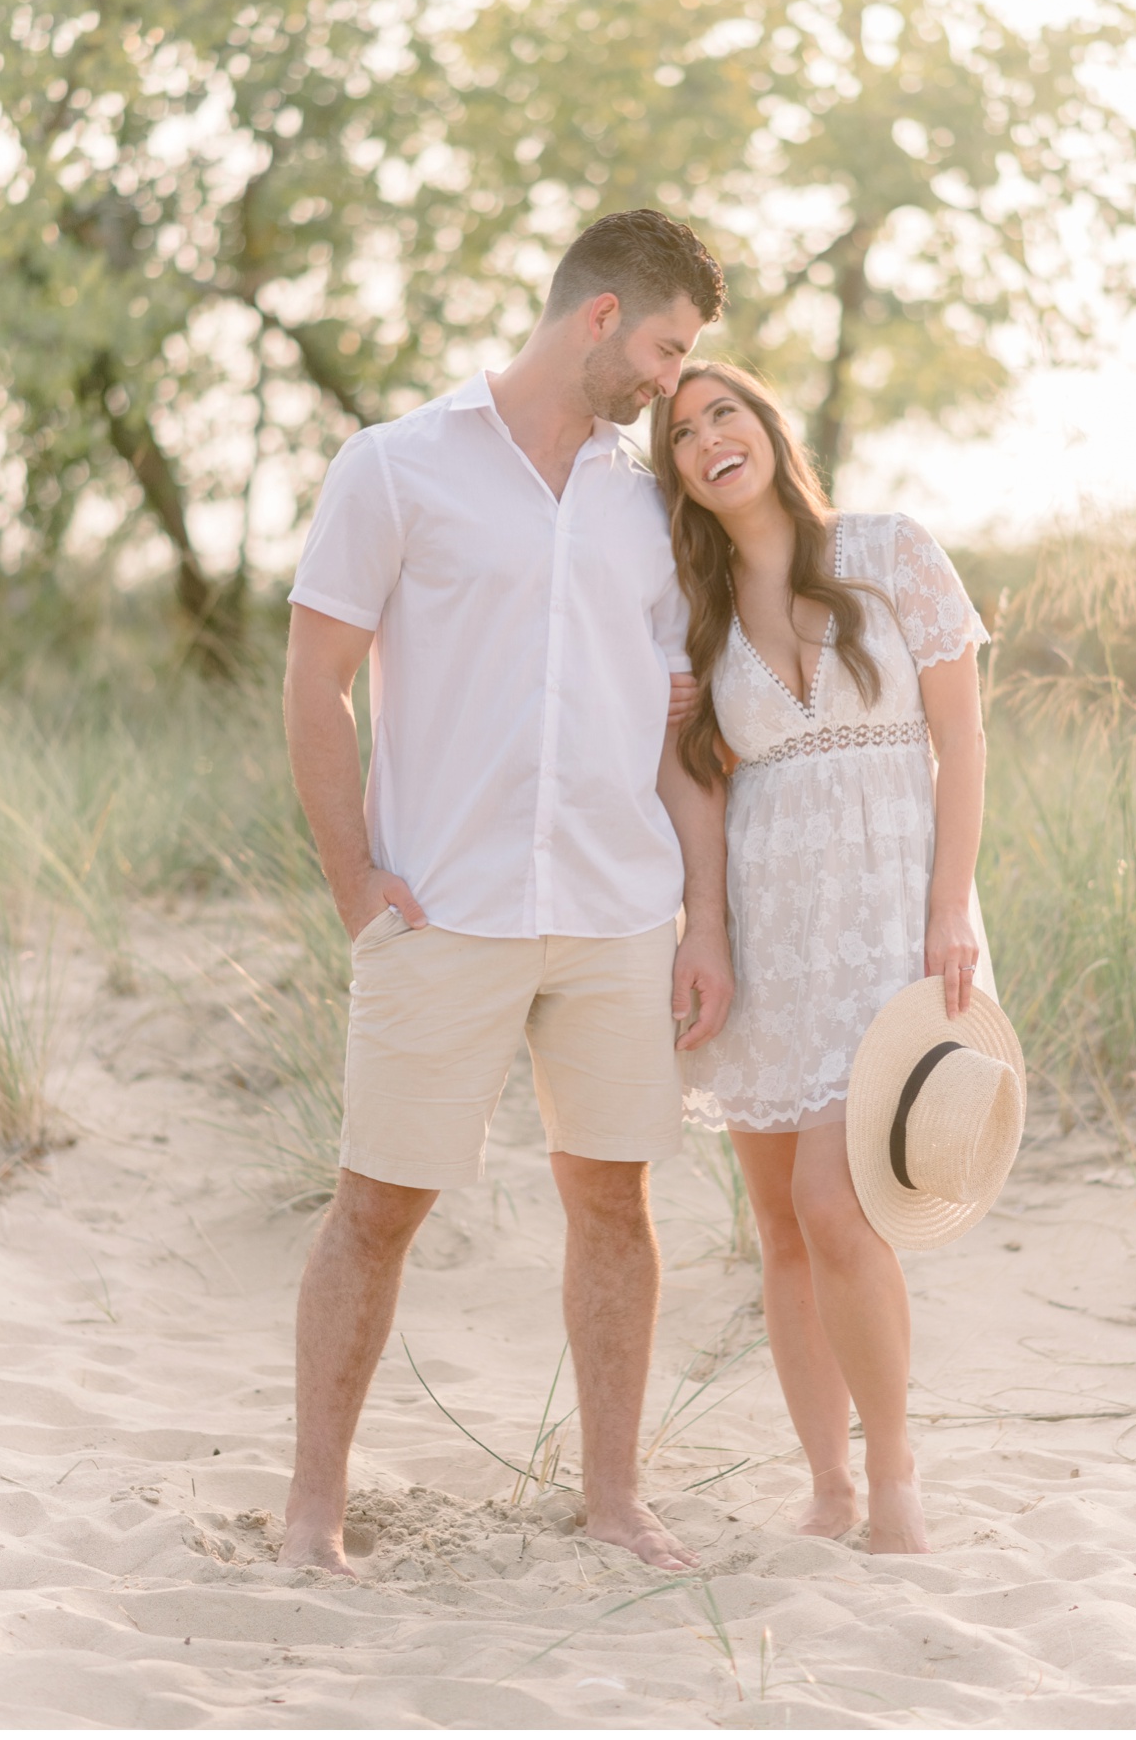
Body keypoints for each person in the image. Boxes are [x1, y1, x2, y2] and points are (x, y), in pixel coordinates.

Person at [280, 211, 734, 1577]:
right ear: (600, 317)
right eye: (667, 345)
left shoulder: (646, 504)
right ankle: (313, 1503)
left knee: (616, 1203)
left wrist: (700, 914)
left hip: (612, 910)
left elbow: (673, 726)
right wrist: (357, 877)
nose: (672, 378)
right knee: (376, 1205)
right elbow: (316, 683)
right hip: (443, 908)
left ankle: (611, 1494)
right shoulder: (396, 467)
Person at [650, 362, 994, 1555]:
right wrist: (704, 927)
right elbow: (692, 779)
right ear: (677, 474)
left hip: (892, 918)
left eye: (722, 412)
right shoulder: (688, 607)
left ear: (764, 425)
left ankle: (892, 1473)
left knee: (831, 1203)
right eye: (681, 433)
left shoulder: (889, 550)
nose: (705, 439)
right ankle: (826, 1484)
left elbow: (959, 734)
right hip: (767, 927)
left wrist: (948, 907)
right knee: (780, 1225)